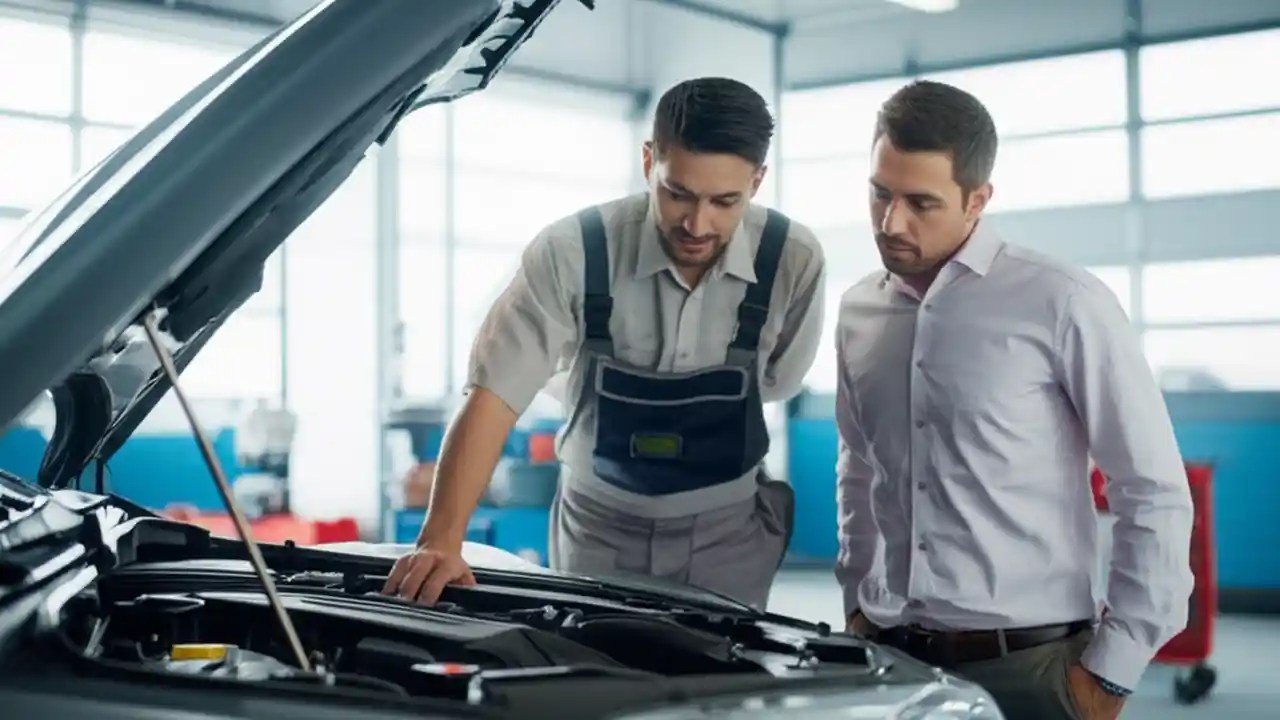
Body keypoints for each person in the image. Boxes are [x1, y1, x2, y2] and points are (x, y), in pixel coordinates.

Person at [383, 77, 826, 610]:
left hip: (727, 538)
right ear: (649, 162)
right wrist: (441, 541)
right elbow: (494, 395)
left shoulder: (792, 260)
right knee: (592, 676)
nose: (696, 222)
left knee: (719, 685)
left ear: (757, 181)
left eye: (724, 201)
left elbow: (778, 382)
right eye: (677, 192)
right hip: (597, 532)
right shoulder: (572, 252)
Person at [833, 79, 1194, 720]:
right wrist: (857, 606)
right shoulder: (860, 310)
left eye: (921, 202)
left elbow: (1151, 486)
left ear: (978, 200)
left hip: (1032, 669)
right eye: (879, 193)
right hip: (890, 660)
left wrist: (1111, 673)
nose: (891, 222)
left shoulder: (1061, 301)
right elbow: (860, 467)